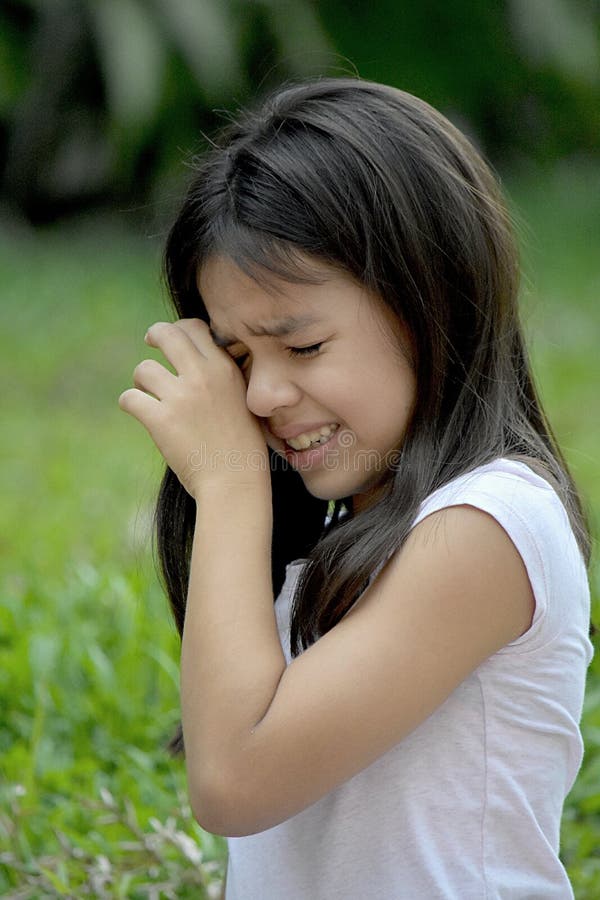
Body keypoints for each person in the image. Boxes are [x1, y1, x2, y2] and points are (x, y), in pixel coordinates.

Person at [119, 78, 593, 899]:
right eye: (236, 359)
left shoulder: (491, 524)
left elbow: (233, 782)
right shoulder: (339, 529)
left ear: (430, 301)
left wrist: (230, 487)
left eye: (300, 347)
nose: (261, 396)